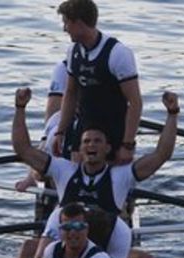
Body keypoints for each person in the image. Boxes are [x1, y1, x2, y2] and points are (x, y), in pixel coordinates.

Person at [13, 86, 181, 258]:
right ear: (80, 149)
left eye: (97, 141)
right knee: (36, 253)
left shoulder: (120, 176)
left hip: (105, 238)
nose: (91, 145)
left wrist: (172, 115)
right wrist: (20, 108)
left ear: (108, 148)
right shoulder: (64, 169)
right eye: (86, 141)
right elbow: (23, 149)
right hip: (68, 233)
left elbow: (161, 154)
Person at [51, 0, 142, 165]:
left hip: (113, 130)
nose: (64, 29)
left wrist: (127, 145)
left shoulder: (118, 53)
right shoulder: (73, 51)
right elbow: (70, 93)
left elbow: (135, 102)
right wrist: (60, 132)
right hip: (84, 129)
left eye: (66, 23)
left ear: (78, 23)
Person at [8, 60, 68, 258]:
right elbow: (33, 155)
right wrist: (19, 108)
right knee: (31, 249)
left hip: (85, 205)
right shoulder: (56, 122)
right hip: (58, 191)